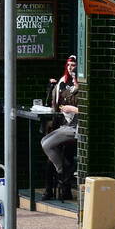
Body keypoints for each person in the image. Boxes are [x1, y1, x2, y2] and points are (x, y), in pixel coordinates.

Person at [40, 55, 79, 199]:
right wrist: (51, 89)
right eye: (69, 65)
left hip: (74, 128)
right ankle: (54, 184)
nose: (71, 68)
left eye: (74, 65)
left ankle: (64, 184)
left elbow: (86, 109)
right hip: (63, 124)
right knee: (47, 146)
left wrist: (71, 108)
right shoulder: (62, 83)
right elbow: (56, 105)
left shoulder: (82, 87)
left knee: (57, 151)